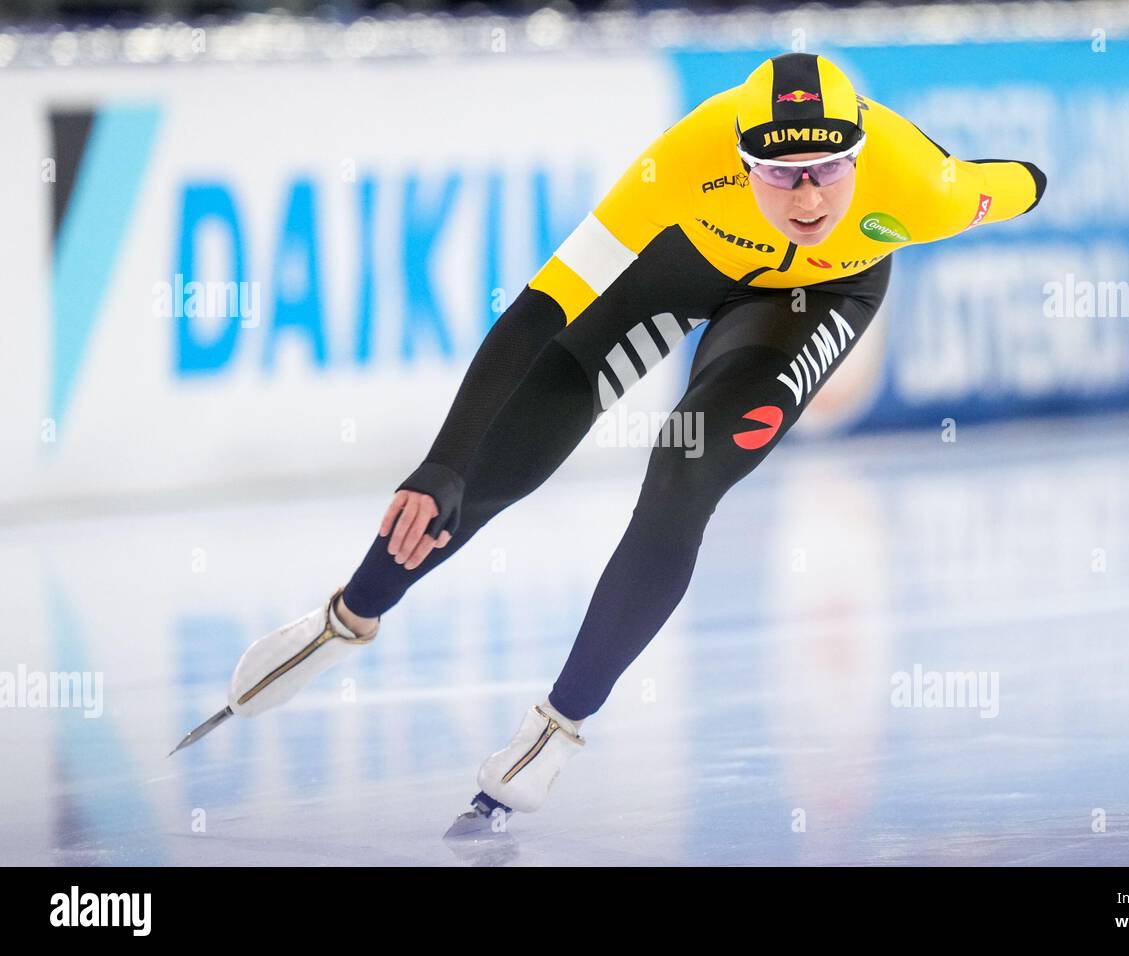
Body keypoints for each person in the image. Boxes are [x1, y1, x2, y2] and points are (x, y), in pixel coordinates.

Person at [212, 52, 1046, 828]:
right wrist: (444, 461)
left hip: (815, 304)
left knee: (683, 467)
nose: (808, 200)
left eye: (828, 170)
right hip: (688, 262)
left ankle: (559, 725)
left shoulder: (924, 187)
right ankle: (347, 617)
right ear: (741, 160)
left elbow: (1022, 182)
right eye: (781, 175)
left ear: (860, 157)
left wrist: (1017, 180)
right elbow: (541, 309)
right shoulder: (682, 161)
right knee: (501, 451)